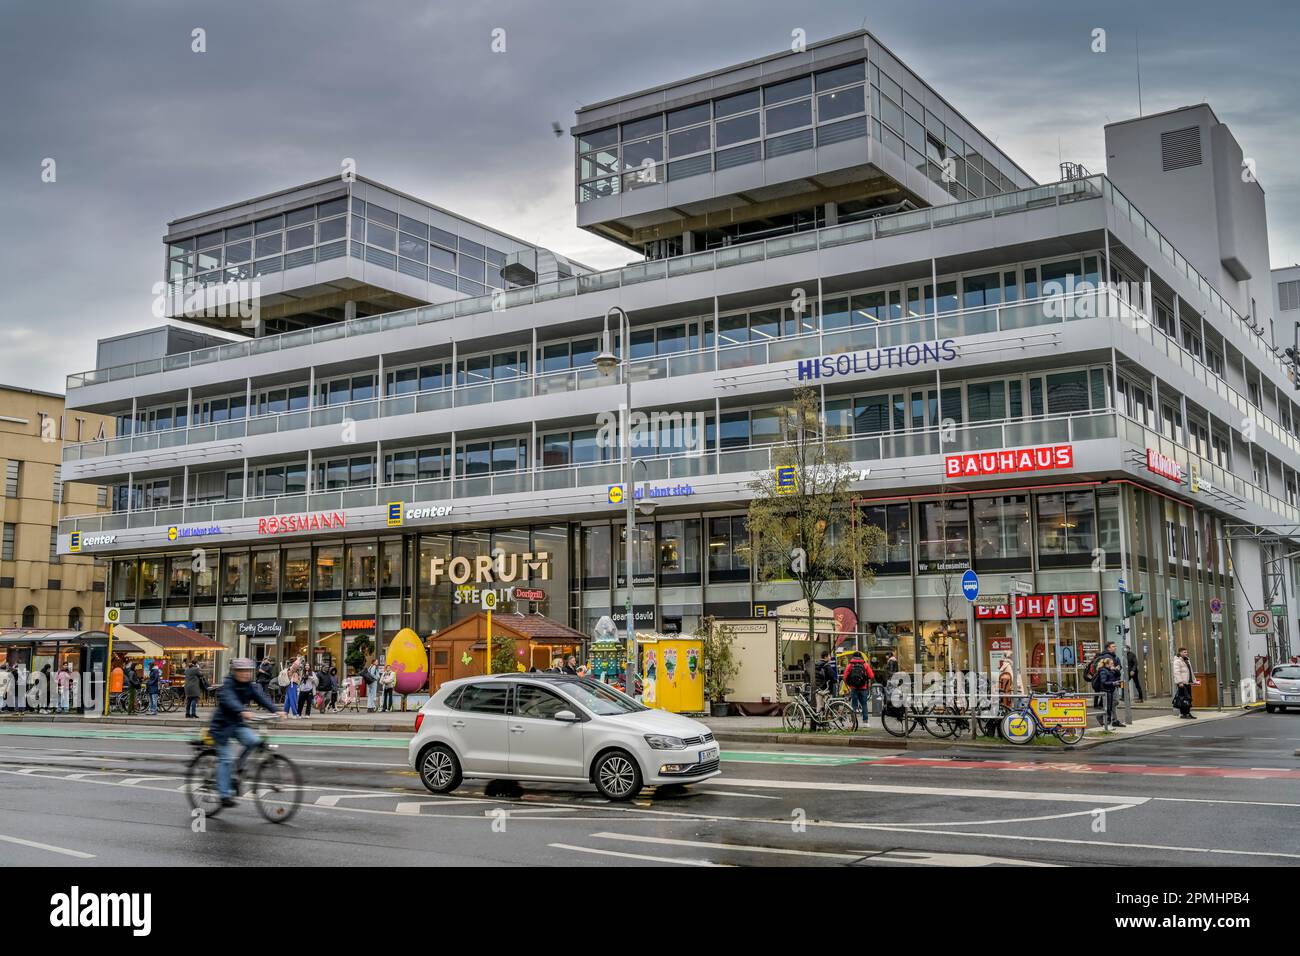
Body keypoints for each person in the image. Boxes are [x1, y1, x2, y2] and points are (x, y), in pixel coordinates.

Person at [210, 658, 278, 807]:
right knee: (226, 759)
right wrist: (241, 710)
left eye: (248, 671)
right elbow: (229, 699)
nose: (246, 674)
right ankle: (224, 795)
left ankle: (239, 766)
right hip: (222, 726)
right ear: (235, 672)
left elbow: (260, 698)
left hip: (237, 724)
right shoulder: (228, 684)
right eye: (242, 671)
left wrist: (276, 710)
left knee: (254, 742)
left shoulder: (248, 686)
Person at [843, 650, 874, 725]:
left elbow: (845, 677)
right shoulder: (865, 665)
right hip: (863, 687)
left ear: (853, 657)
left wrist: (849, 685)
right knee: (864, 704)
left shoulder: (850, 665)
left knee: (854, 705)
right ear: (861, 657)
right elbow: (871, 676)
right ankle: (865, 722)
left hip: (853, 688)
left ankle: (854, 721)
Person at [1093, 658, 1124, 730]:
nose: (1113, 664)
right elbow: (1103, 682)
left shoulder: (1109, 670)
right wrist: (1113, 683)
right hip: (1105, 691)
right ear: (1107, 664)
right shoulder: (1103, 671)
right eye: (1111, 663)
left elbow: (1117, 674)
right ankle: (1105, 722)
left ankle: (1107, 723)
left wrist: (1115, 669)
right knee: (1107, 708)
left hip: (1110, 690)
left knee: (1109, 708)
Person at [1172, 646, 1195, 719]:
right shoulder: (1177, 661)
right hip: (1182, 683)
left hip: (1188, 682)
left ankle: (1187, 713)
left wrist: (1193, 680)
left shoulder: (1187, 660)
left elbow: (1190, 671)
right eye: (1184, 652)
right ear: (1180, 653)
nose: (1186, 653)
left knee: (1188, 698)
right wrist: (1180, 682)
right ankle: (1184, 713)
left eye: (1186, 652)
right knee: (1183, 699)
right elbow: (1176, 672)